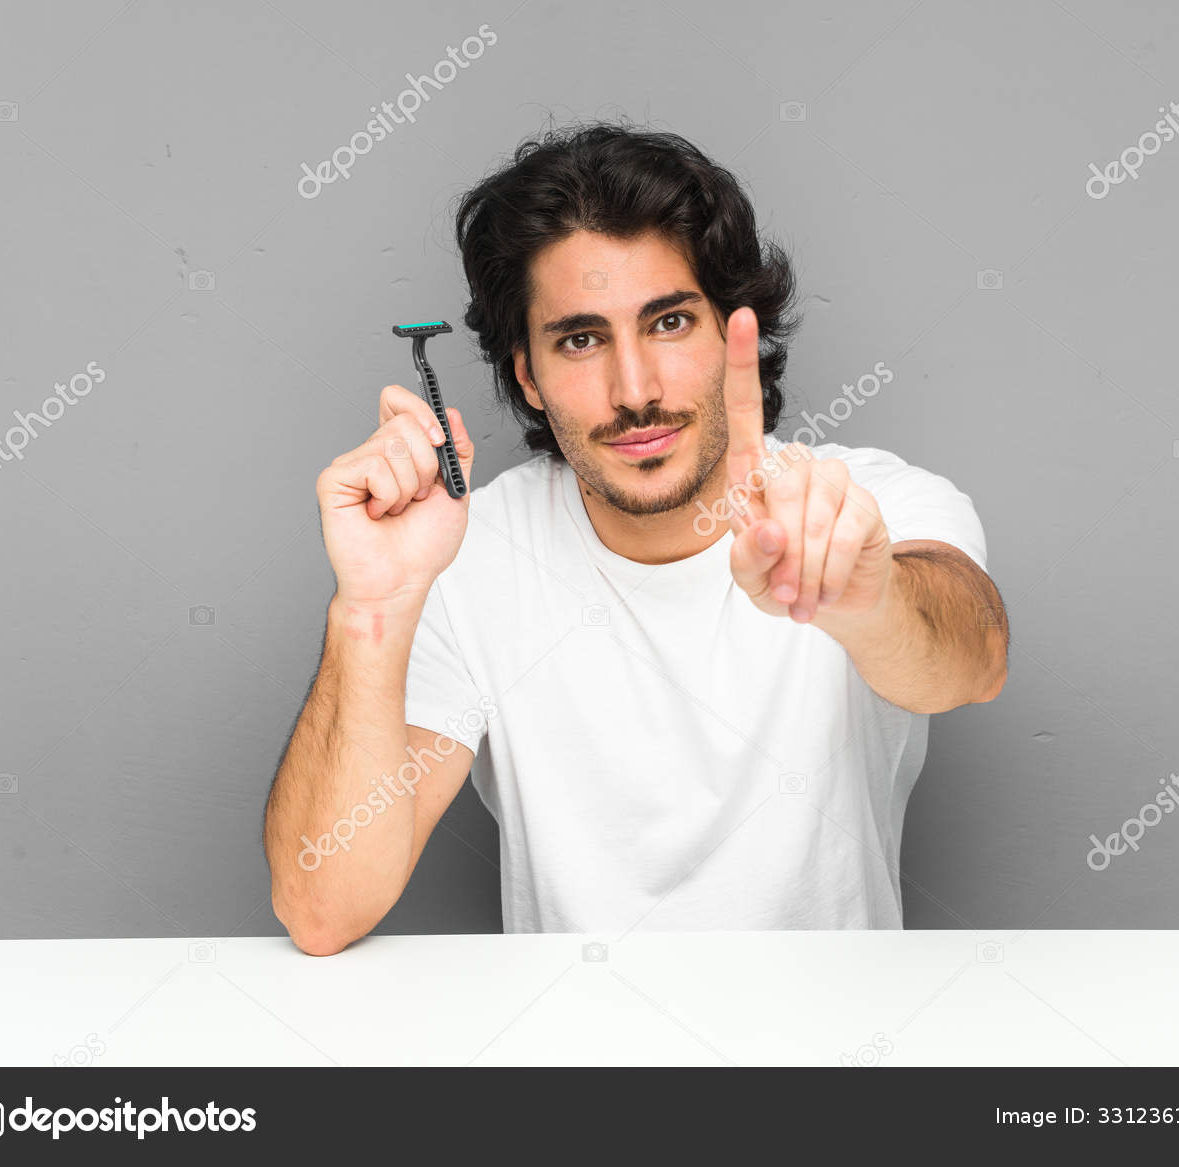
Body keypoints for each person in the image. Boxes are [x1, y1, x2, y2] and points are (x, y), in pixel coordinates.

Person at [264, 123, 1008, 952]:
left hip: (836, 1024)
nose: (634, 390)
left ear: (735, 332)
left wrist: (866, 598)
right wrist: (372, 606)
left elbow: (974, 662)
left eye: (670, 322)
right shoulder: (464, 554)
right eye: (581, 340)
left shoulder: (866, 507)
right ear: (528, 375)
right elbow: (323, 909)